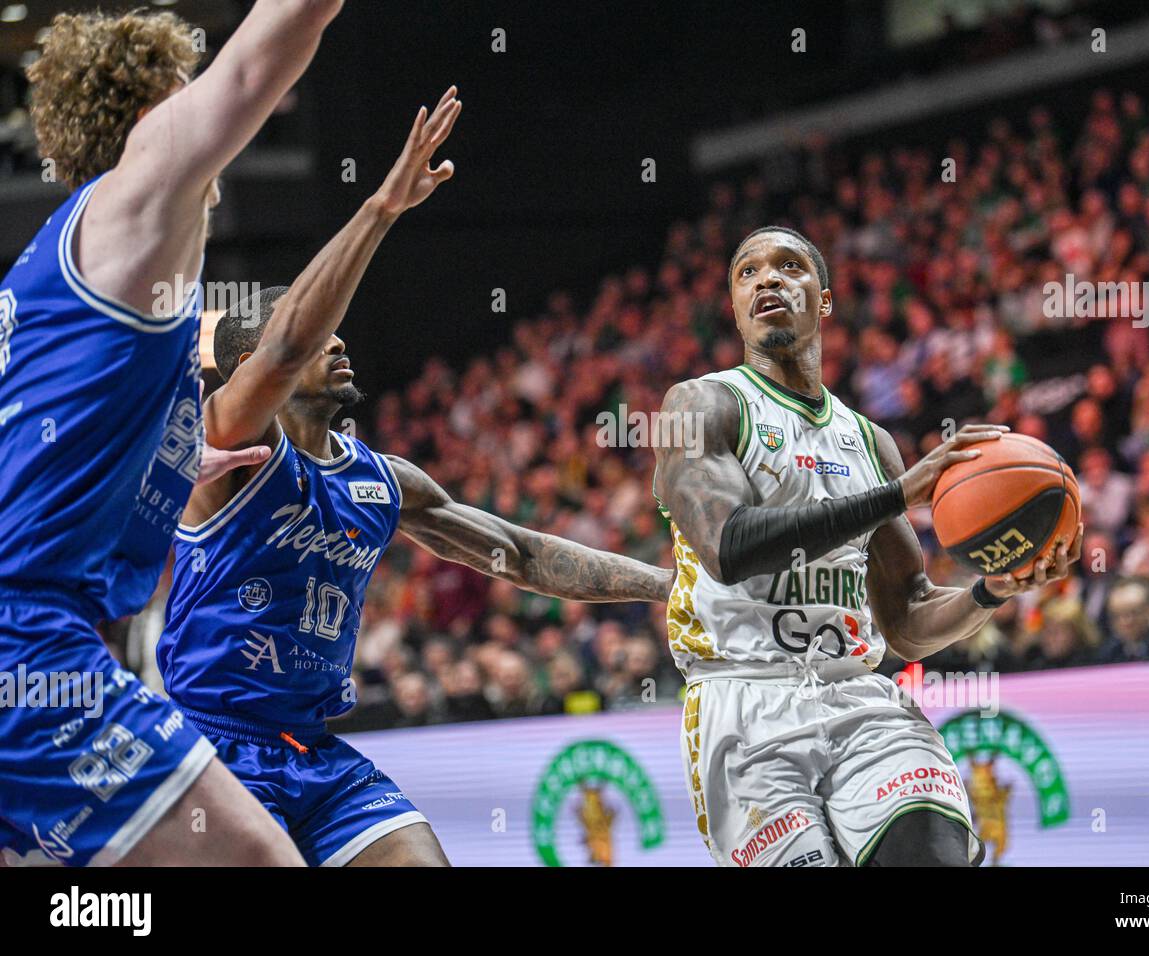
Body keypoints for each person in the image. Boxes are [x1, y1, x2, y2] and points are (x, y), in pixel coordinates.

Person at [156, 101, 674, 866]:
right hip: (212, 751)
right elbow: (294, 329)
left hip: (317, 753)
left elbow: (521, 554)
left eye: (339, 334)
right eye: (313, 337)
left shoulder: (384, 479)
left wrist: (667, 584)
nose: (336, 341)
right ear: (250, 370)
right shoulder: (231, 445)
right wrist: (382, 205)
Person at [0, 1, 345, 868]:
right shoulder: (136, 198)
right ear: (153, 109)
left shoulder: (54, 267)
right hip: (30, 644)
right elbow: (260, 59)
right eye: (184, 94)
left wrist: (161, 453)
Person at [652, 225, 1082, 868]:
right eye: (748, 273)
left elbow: (906, 621)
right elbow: (728, 547)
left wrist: (993, 588)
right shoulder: (702, 403)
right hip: (744, 705)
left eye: (789, 266)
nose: (767, 279)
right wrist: (894, 494)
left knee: (931, 854)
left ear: (823, 302)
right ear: (735, 308)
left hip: (857, 694)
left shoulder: (868, 440)